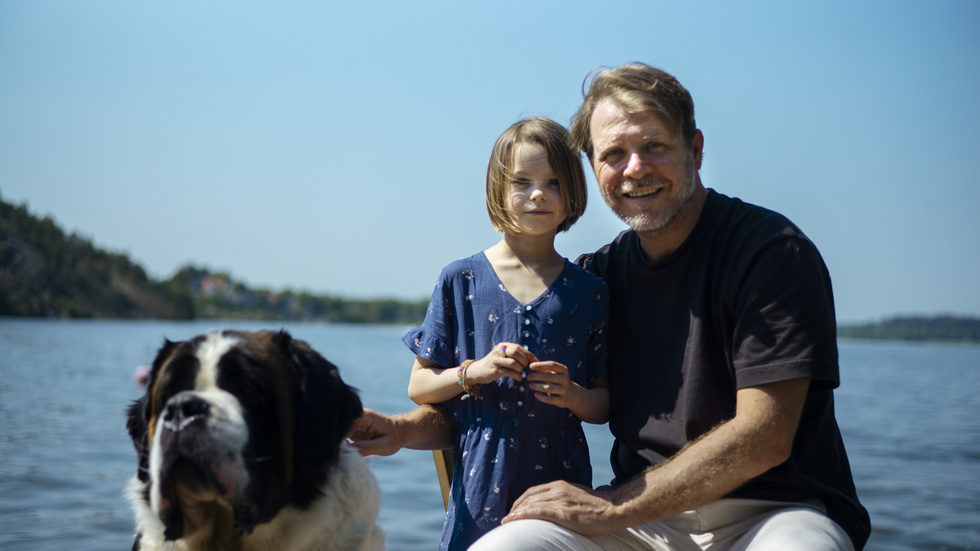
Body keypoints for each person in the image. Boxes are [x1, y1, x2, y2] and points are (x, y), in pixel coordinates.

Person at [349, 63, 871, 551]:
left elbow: (765, 436)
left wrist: (612, 505)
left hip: (772, 511)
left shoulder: (770, 252)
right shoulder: (591, 282)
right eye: (613, 154)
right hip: (642, 520)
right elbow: (497, 406)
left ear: (696, 148)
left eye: (654, 146)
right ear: (594, 168)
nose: (635, 168)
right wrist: (400, 431)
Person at [402, 116, 611, 550]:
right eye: (521, 181)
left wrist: (572, 394)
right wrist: (473, 372)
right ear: (498, 190)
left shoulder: (590, 292)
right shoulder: (460, 279)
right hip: (479, 481)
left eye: (553, 182)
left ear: (573, 192)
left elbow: (605, 404)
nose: (538, 194)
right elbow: (419, 386)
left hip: (559, 481)